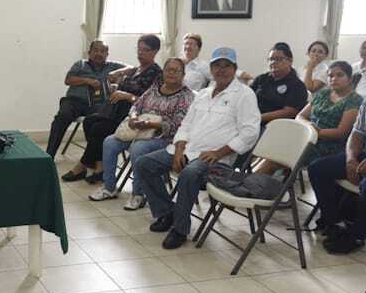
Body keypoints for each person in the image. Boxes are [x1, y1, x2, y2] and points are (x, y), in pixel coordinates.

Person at [133, 47, 260, 249]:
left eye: (227, 66)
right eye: (217, 65)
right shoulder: (203, 94)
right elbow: (186, 125)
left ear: (235, 69)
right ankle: (166, 213)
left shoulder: (244, 95)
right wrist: (179, 149)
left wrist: (219, 152)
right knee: (143, 164)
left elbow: (250, 133)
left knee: (189, 174)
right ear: (211, 69)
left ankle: (180, 229)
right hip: (188, 150)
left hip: (217, 158)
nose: (222, 70)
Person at [308, 56, 366, 254]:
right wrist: (351, 158)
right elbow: (356, 134)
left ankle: (357, 236)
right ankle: (335, 221)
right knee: (318, 168)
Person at [89, 57, 194, 211]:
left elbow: (179, 125)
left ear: (183, 74)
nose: (171, 73)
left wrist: (150, 124)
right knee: (110, 142)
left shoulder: (186, 96)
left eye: (176, 70)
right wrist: (133, 118)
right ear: (163, 72)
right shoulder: (154, 88)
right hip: (140, 130)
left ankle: (138, 194)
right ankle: (109, 187)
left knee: (139, 148)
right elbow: (136, 106)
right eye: (168, 70)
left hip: (165, 137)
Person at [62, 35, 162, 183]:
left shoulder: (156, 73)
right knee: (89, 122)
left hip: (134, 116)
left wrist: (126, 95)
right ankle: (100, 165)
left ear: (155, 51)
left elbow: (149, 102)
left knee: (99, 128)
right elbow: (122, 83)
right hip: (116, 111)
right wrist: (116, 87)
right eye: (139, 49)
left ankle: (82, 165)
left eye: (145, 50)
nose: (140, 53)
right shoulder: (135, 70)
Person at [255, 61, 362, 175]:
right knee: (271, 149)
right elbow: (300, 116)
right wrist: (309, 126)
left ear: (350, 78)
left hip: (327, 146)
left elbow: (341, 132)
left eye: (339, 75)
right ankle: (248, 182)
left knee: (274, 157)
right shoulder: (323, 94)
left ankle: (247, 185)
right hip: (307, 137)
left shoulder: (354, 100)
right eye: (330, 75)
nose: (334, 79)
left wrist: (315, 132)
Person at [46, 40, 124, 158]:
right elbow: (68, 80)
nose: (99, 54)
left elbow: (132, 69)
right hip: (74, 101)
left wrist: (118, 81)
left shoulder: (113, 66)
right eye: (96, 50)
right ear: (89, 52)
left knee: (98, 122)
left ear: (107, 54)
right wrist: (87, 81)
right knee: (62, 117)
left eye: (103, 51)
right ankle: (49, 156)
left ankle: (92, 160)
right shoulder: (80, 64)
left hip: (97, 104)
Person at [251, 42, 308, 126]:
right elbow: (247, 97)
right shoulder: (261, 79)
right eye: (271, 59)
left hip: (276, 126)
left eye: (278, 59)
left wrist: (258, 118)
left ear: (290, 61)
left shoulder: (297, 85)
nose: (273, 62)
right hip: (252, 120)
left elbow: (289, 112)